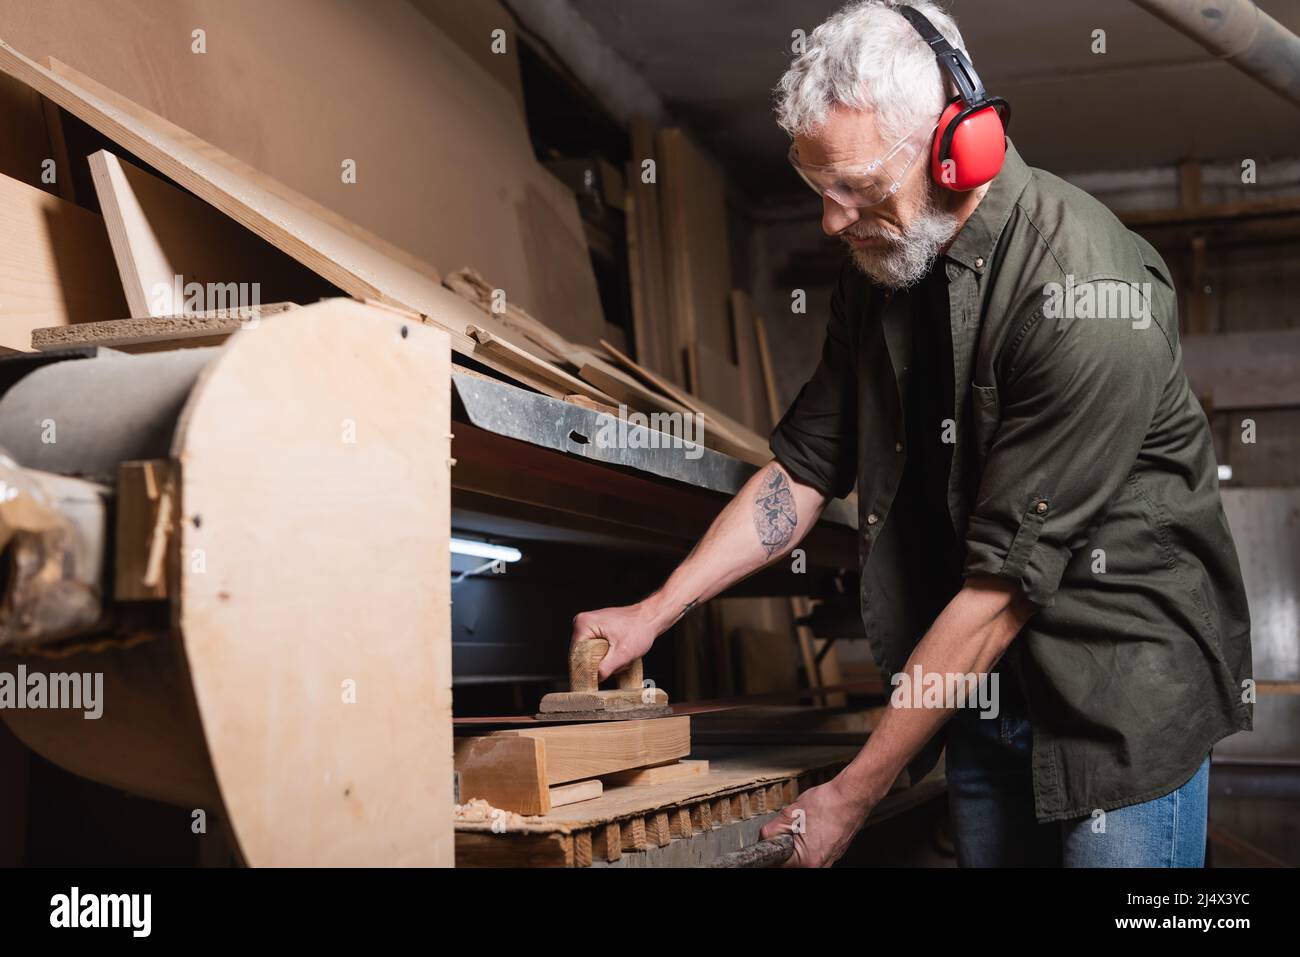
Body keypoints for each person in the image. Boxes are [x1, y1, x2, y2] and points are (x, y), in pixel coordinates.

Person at [571, 0, 1251, 867]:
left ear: (955, 147)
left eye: (855, 187)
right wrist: (653, 612)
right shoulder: (879, 266)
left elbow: (1002, 586)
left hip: (1120, 701)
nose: (832, 220)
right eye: (821, 190)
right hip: (974, 691)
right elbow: (806, 468)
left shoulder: (1088, 297)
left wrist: (854, 795)